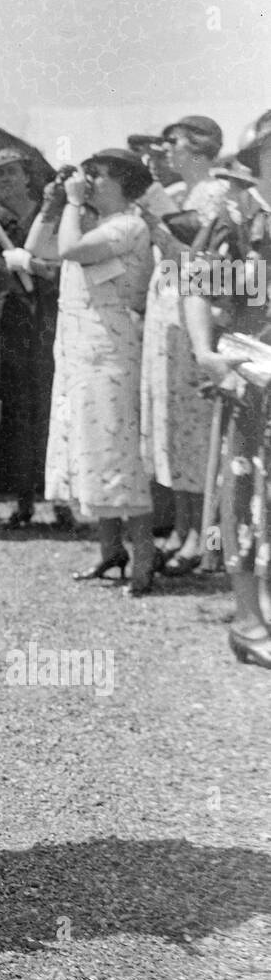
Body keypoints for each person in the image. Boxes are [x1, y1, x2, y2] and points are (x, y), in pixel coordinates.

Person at [30, 150, 155, 595]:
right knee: (89, 446)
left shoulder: (128, 225)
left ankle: (143, 556)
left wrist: (71, 205)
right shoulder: (94, 224)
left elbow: (68, 250)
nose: (89, 184)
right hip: (80, 346)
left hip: (110, 348)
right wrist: (51, 206)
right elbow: (38, 249)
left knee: (118, 451)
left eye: (98, 177)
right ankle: (109, 549)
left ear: (123, 183)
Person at [183, 160, 271, 666]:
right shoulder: (237, 223)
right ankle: (246, 619)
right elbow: (195, 284)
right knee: (245, 491)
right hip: (255, 375)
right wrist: (205, 352)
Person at [139, 116, 228, 576]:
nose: (165, 150)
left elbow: (195, 259)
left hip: (188, 312)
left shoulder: (214, 193)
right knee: (171, 424)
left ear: (196, 147)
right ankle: (179, 525)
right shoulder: (179, 195)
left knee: (193, 427)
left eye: (171, 142)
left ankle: (199, 535)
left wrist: (160, 219)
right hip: (166, 312)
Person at [0, 147, 60, 529]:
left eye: (12, 173)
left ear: (27, 176)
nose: (5, 181)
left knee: (53, 409)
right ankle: (23, 498)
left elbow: (65, 266)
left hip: (50, 322)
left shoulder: (50, 214)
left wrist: (33, 266)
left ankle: (60, 498)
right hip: (8, 327)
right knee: (17, 412)